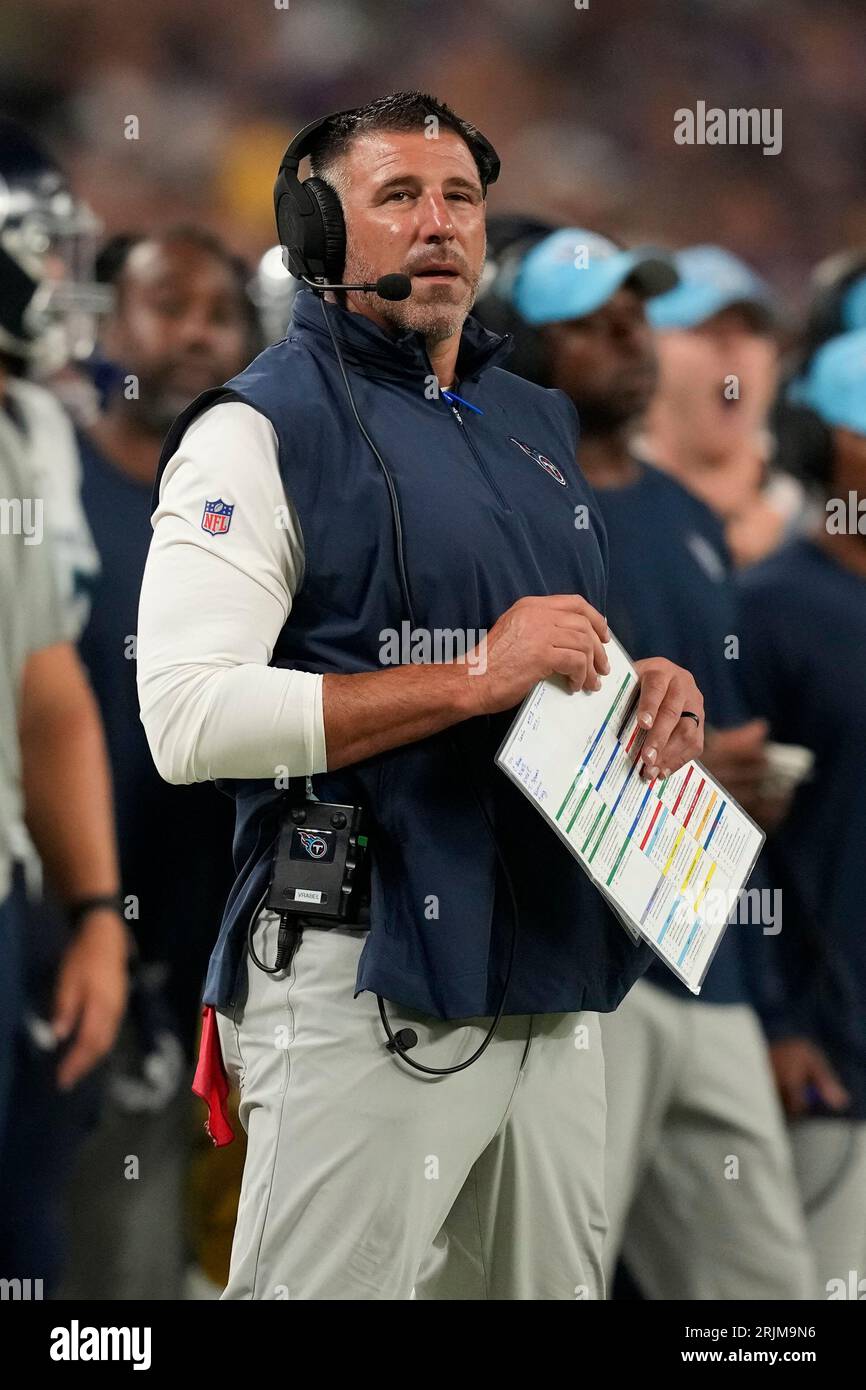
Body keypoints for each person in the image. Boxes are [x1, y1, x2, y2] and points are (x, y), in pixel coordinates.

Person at [137, 91, 704, 1301]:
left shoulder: (530, 419)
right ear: (316, 236)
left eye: (458, 198)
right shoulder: (257, 428)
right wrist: (470, 677)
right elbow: (185, 717)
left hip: (551, 981)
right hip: (363, 969)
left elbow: (548, 653)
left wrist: (644, 686)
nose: (438, 223)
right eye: (397, 197)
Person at [479, 225, 815, 1299]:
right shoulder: (506, 499)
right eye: (592, 325)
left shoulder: (682, 515)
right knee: (556, 1271)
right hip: (582, 958)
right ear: (521, 341)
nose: (627, 341)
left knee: (762, 1285)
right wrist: (680, 763)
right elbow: (506, 722)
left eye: (636, 318)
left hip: (703, 950)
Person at [58, 228, 256, 1300]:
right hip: (69, 940)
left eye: (218, 313)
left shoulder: (261, 512)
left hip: (221, 958)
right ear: (103, 323)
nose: (194, 333)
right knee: (102, 1274)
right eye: (165, 304)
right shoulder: (46, 489)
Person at [0, 130, 130, 1287]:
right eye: (37, 251)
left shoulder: (25, 437)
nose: (59, 282)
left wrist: (94, 906)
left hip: (13, 899)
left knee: (26, 1229)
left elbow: (48, 687)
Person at [738, 327, 866, 1296]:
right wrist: (775, 1021)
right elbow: (729, 840)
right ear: (821, 448)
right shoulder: (764, 609)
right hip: (824, 1050)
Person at [642, 245, 805, 566]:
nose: (734, 348)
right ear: (647, 349)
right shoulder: (594, 504)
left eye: (752, 331)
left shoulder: (819, 517)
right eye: (706, 331)